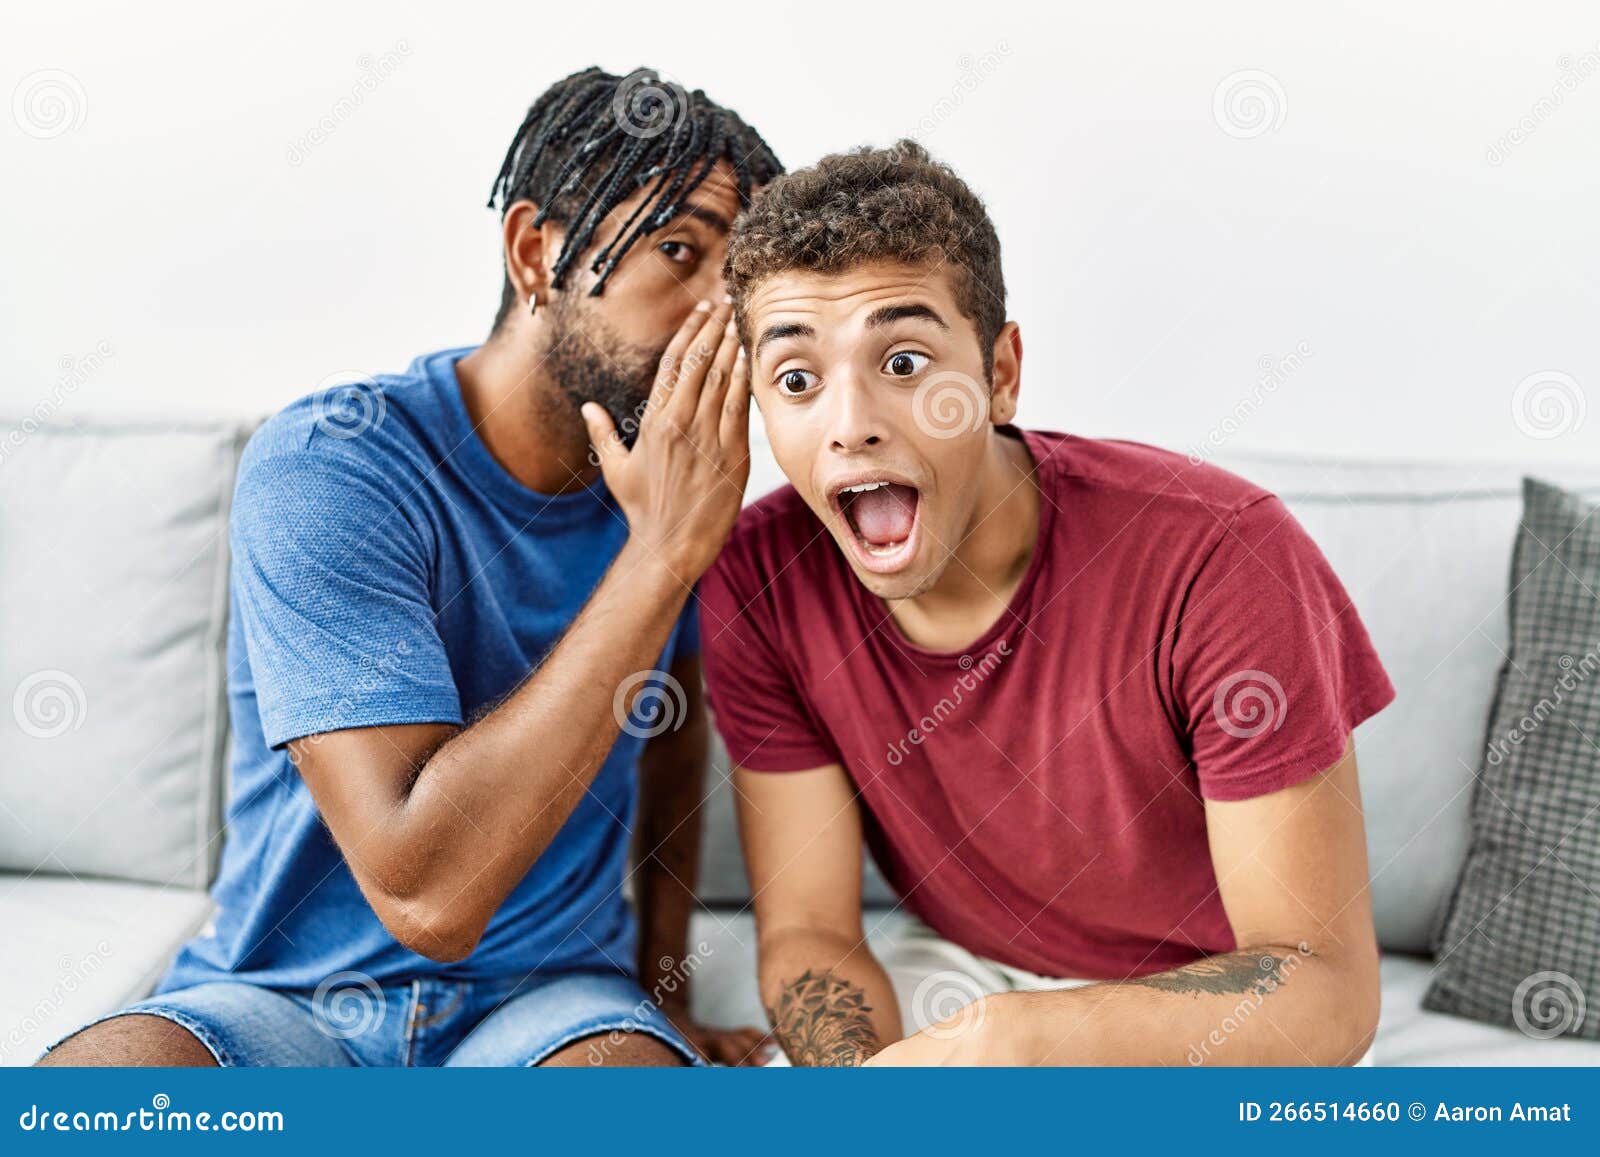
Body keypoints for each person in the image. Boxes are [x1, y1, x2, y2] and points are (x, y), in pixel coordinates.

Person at [40, 66, 780, 1068]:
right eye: (678, 252)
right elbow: (426, 891)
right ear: (533, 249)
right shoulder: (336, 465)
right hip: (283, 1001)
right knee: (106, 1084)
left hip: (550, 1005)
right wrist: (660, 556)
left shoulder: (668, 491)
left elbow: (671, 744)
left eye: (739, 291)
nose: (713, 321)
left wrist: (666, 981)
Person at [701, 141, 1396, 1066]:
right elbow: (813, 937)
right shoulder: (758, 579)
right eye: (796, 380)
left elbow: (1326, 990)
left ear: (999, 374)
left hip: (1198, 1017)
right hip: (958, 976)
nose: (850, 420)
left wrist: (1020, 1044)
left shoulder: (1220, 556)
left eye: (904, 362)